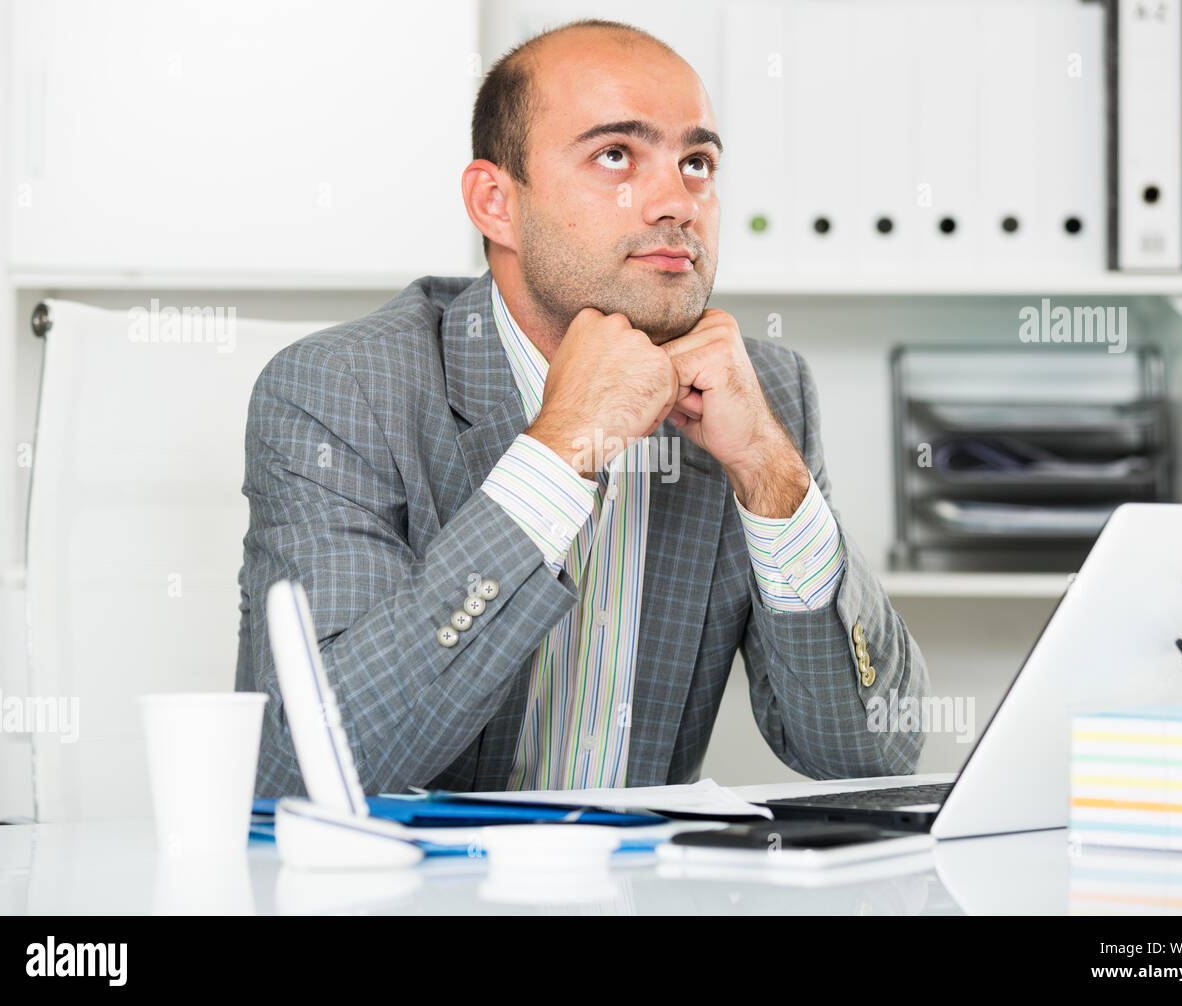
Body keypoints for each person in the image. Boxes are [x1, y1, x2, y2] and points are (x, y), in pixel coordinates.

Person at [235, 17, 929, 797]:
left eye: (696, 163)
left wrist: (770, 471)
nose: (677, 202)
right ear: (496, 202)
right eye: (614, 155)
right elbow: (309, 768)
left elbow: (870, 757)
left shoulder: (763, 395)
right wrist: (559, 450)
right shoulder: (341, 389)